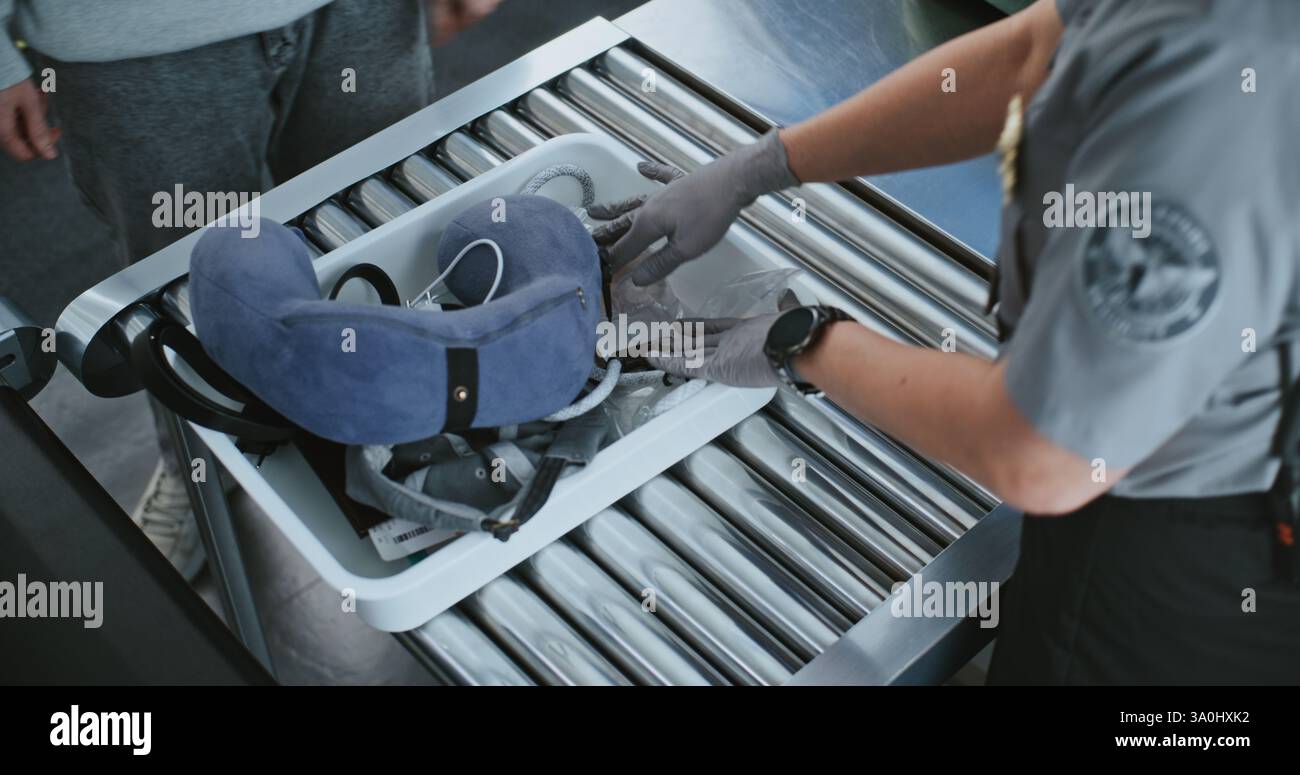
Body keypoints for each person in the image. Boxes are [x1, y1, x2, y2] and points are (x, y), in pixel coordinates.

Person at [592, 0, 1300, 684]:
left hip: (1200, 583)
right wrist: (761, 166)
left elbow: (1040, 451)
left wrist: (798, 339)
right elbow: (1033, 52)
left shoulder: (1228, 80)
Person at [0, 0, 500, 579]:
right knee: (185, 298)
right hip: (127, 42)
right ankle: (199, 475)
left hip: (358, 14)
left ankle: (428, 440)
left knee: (392, 236)